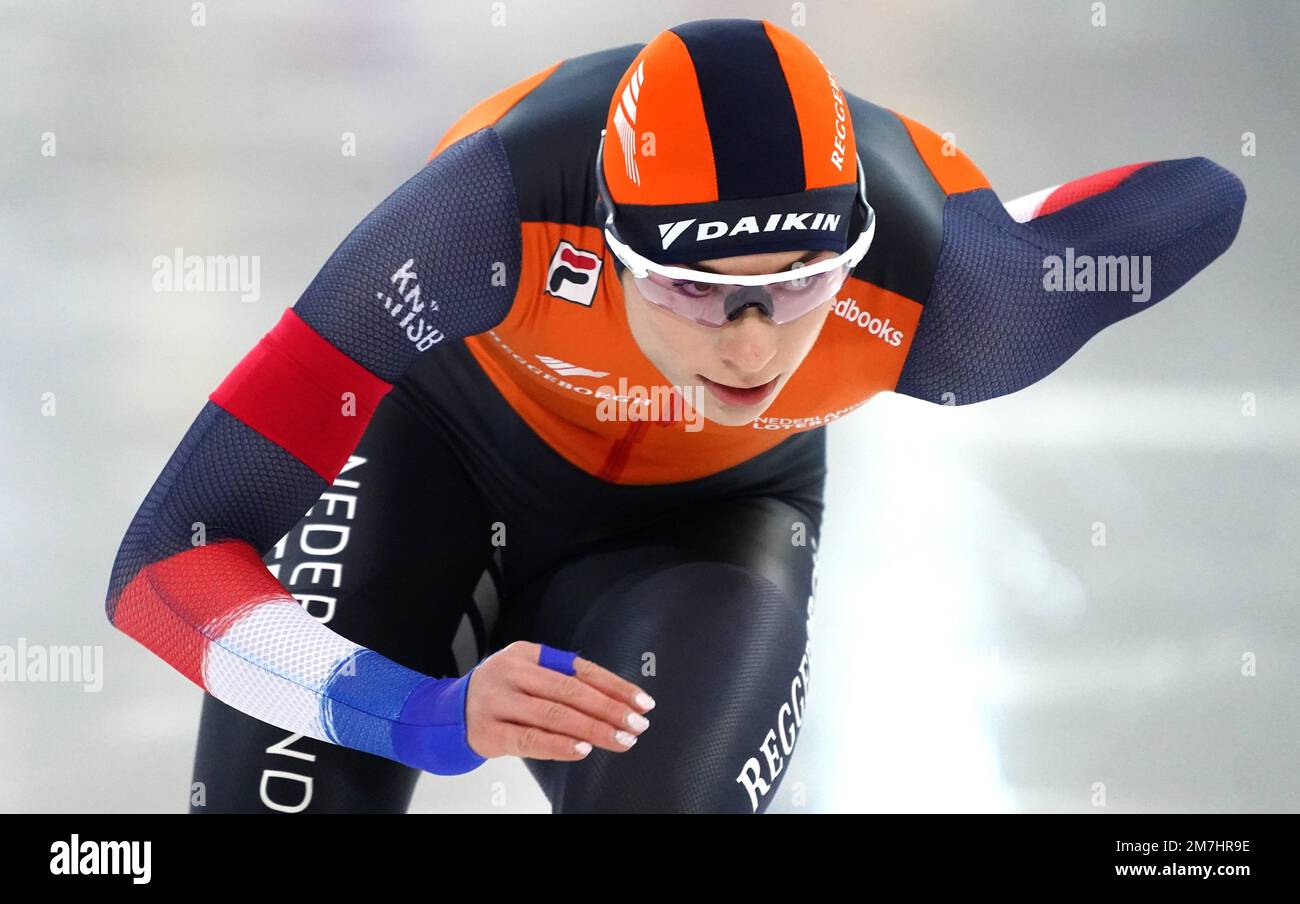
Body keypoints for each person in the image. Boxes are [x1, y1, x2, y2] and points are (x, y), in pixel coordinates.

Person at [105, 17, 1245, 814]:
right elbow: (166, 562)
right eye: (693, 288)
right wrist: (418, 717)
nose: (750, 344)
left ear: (856, 253)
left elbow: (1207, 186)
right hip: (440, 457)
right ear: (606, 247)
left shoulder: (961, 305)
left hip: (709, 521)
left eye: (800, 283)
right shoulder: (477, 219)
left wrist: (992, 232)